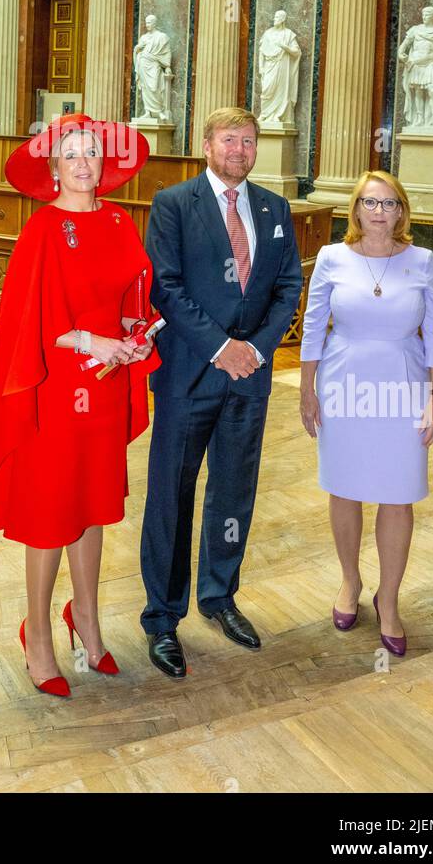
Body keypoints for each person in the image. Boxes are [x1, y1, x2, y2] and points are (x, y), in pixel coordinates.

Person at [0, 115, 160, 697]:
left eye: (93, 153)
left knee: (93, 506)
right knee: (51, 513)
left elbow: (131, 294)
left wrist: (136, 332)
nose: (84, 163)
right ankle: (39, 635)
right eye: (72, 154)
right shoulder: (42, 231)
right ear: (53, 168)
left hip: (102, 389)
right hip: (53, 386)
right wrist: (91, 340)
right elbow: (29, 324)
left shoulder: (119, 221)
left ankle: (89, 623)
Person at [140, 107, 302, 677]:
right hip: (190, 374)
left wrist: (255, 349)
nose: (240, 149)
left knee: (234, 492)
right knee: (171, 495)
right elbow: (165, 285)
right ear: (205, 144)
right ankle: (162, 617)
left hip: (249, 377)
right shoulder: (173, 205)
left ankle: (219, 596)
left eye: (249, 140)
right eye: (229, 139)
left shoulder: (274, 208)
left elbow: (288, 287)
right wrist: (220, 347)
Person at [299, 171, 433, 657]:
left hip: (403, 384)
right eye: (370, 202)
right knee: (344, 488)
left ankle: (390, 597)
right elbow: (314, 325)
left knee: (397, 492)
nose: (379, 212)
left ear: (402, 211)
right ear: (356, 208)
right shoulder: (331, 257)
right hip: (344, 384)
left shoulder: (422, 260)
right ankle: (349, 581)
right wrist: (307, 390)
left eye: (389, 203)